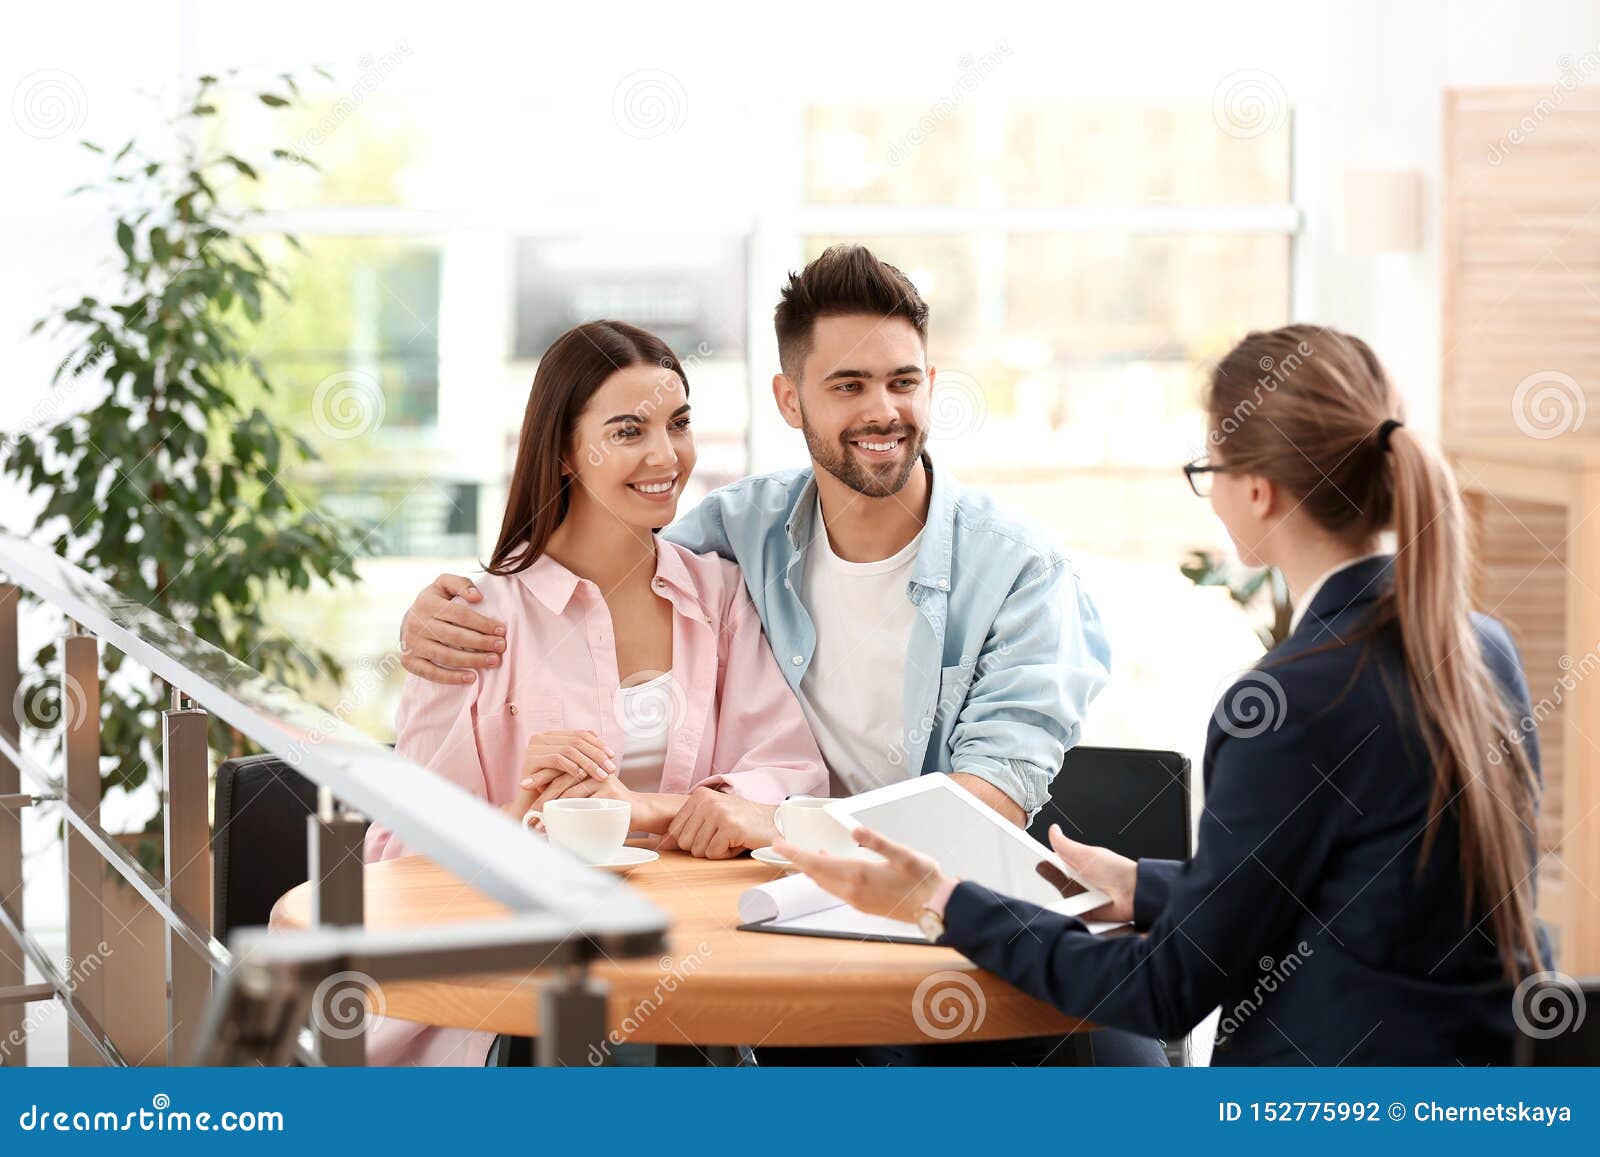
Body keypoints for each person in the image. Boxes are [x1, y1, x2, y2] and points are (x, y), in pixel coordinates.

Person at [395, 246, 1162, 1066]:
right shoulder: (738, 536)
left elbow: (980, 809)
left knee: (1115, 1068)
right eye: (848, 385)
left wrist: (730, 814)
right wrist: (431, 619)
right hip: (785, 915)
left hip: (951, 904)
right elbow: (598, 558)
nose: (883, 410)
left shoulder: (1019, 572)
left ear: (931, 384)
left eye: (903, 381)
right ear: (789, 400)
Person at [779, 324, 1551, 1066]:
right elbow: (1363, 898)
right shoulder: (1484, 648)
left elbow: (1165, 988)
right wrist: (1144, 884)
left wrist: (942, 899)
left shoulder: (1291, 703)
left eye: (1207, 471)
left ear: (1257, 491)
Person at [363, 319, 828, 1066]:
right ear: (565, 452)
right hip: (516, 1000)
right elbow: (395, 854)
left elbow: (790, 779)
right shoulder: (473, 622)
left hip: (685, 972)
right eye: (627, 430)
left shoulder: (719, 597)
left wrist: (650, 810)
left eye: (677, 424)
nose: (663, 455)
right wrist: (523, 812)